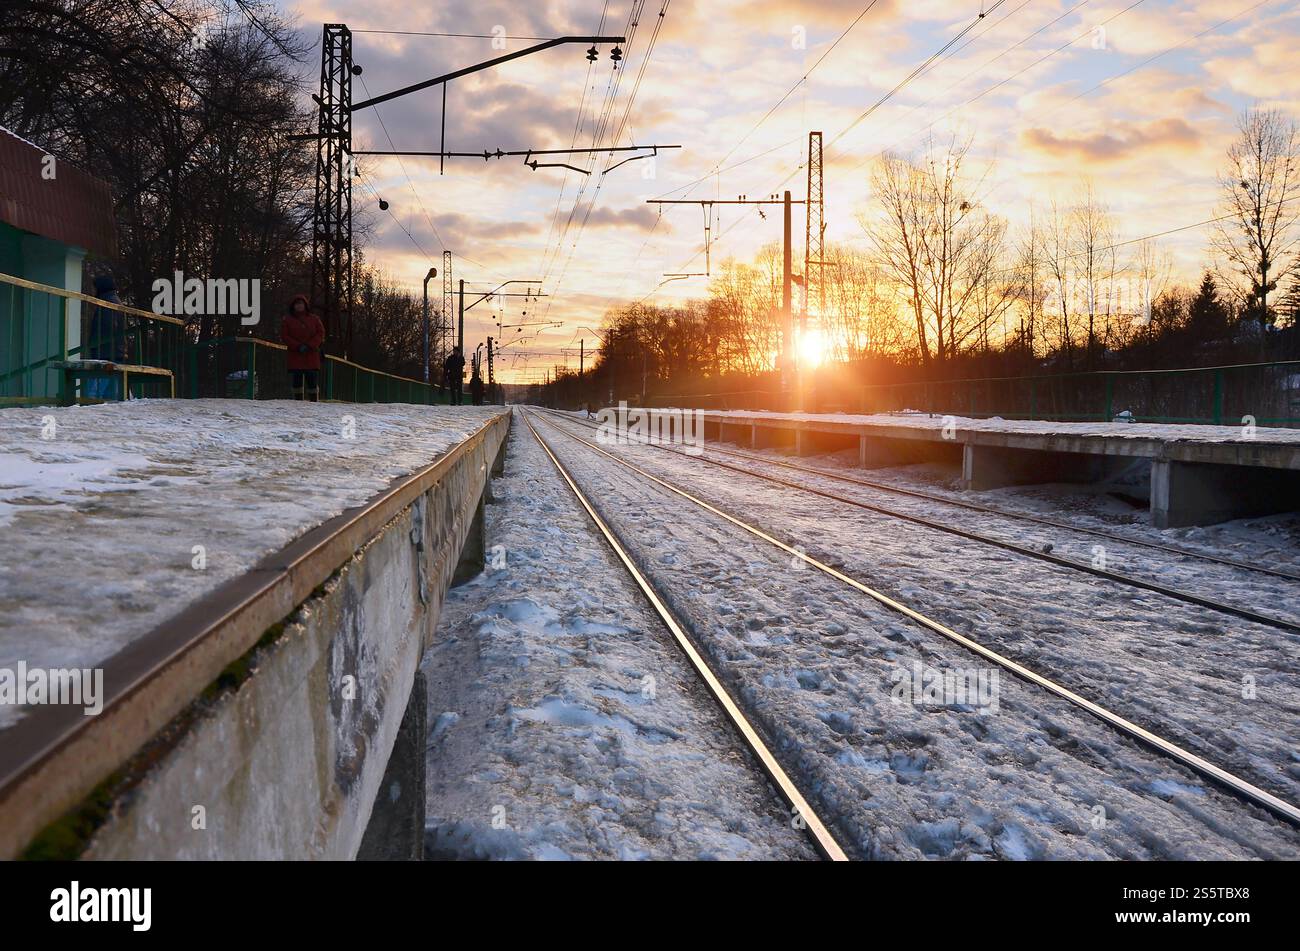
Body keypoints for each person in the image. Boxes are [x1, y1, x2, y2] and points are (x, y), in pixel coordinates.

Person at [86, 274, 127, 400]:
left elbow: (107, 327)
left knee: (93, 394)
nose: (93, 291)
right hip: (114, 352)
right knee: (112, 393)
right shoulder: (114, 301)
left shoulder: (107, 304)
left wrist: (95, 345)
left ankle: (89, 413)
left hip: (106, 353)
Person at [279, 294, 325, 400]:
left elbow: (321, 333)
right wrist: (297, 346)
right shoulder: (288, 320)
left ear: (305, 305)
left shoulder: (314, 319)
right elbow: (285, 335)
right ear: (293, 306)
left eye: (301, 304)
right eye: (297, 304)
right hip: (296, 354)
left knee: (312, 379)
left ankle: (314, 401)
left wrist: (310, 345)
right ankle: (298, 402)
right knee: (297, 379)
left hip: (311, 353)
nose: (299, 306)